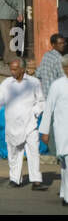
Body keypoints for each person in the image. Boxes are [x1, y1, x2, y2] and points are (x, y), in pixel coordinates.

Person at [0, 56, 46, 189]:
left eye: (15, 69)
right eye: (11, 69)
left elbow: (42, 101)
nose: (12, 72)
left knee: (33, 152)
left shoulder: (34, 82)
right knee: (13, 152)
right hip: (12, 125)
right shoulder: (6, 83)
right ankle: (15, 179)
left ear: (22, 69)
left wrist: (35, 112)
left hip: (30, 124)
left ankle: (36, 180)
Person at [39, 59, 68, 206]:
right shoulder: (57, 85)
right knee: (65, 163)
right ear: (65, 68)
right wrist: (45, 131)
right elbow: (48, 109)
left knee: (66, 165)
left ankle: (66, 194)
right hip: (62, 131)